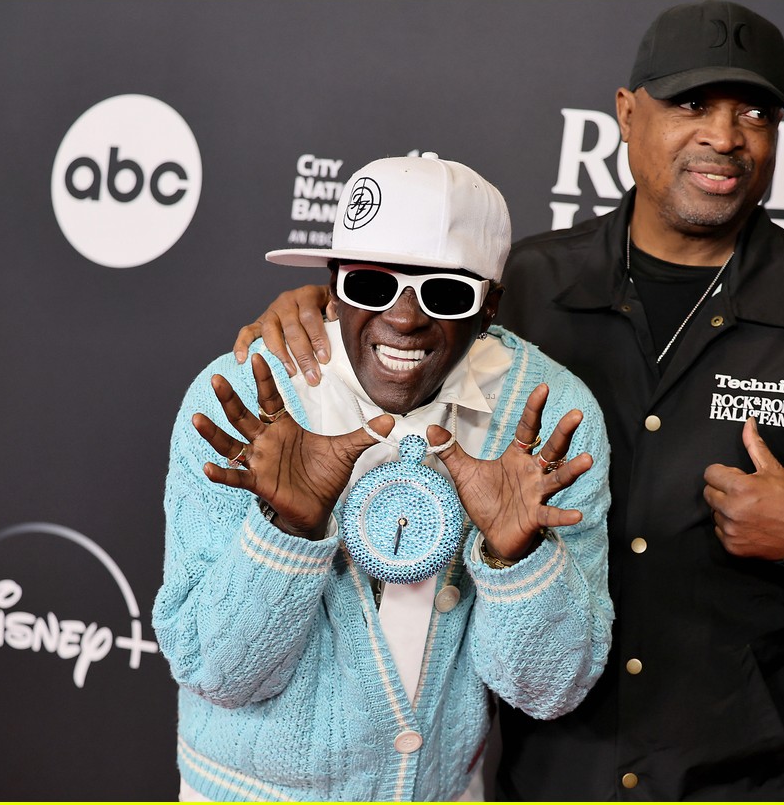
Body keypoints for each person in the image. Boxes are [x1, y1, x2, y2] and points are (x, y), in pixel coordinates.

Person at [232, 1, 784, 800]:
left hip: (759, 777)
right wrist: (324, 306)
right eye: (692, 103)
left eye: (754, 112)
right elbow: (401, 331)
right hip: (556, 767)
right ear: (627, 115)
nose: (725, 136)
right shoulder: (524, 287)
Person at [153, 153, 613, 801]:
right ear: (334, 285)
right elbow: (216, 671)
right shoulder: (241, 396)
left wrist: (519, 557)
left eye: (445, 292)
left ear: (490, 307)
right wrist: (288, 530)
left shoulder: (549, 419)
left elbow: (548, 688)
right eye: (372, 284)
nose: (403, 318)